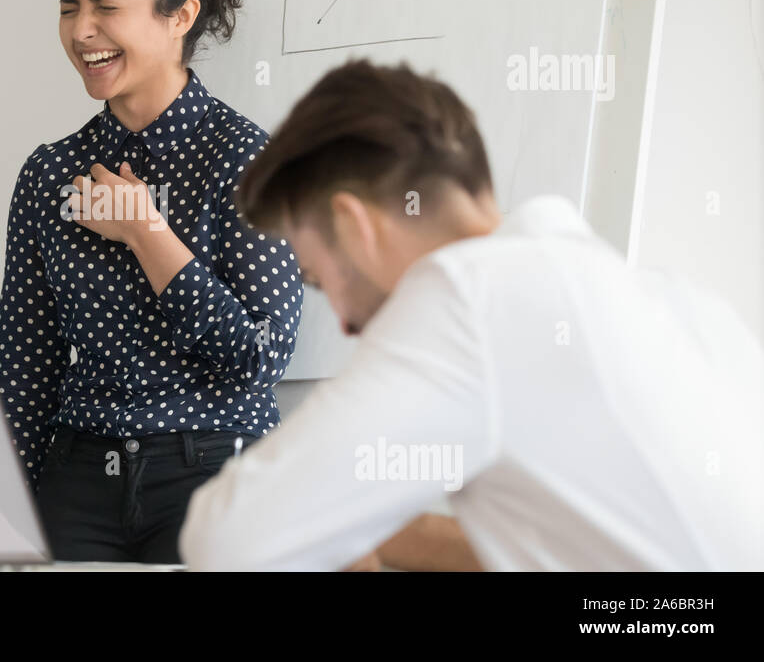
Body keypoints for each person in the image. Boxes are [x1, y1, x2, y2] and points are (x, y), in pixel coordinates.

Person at [179, 59, 763, 571]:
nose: (345, 324)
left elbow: (225, 542)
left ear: (357, 225)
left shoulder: (467, 296)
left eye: (319, 279)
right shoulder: (669, 299)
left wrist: (330, 522)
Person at [0, 0, 304, 563]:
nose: (82, 31)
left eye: (106, 5)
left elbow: (257, 359)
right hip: (75, 479)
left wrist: (145, 230)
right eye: (69, 7)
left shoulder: (247, 160)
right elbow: (25, 367)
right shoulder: (50, 173)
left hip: (211, 471)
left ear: (180, 15)